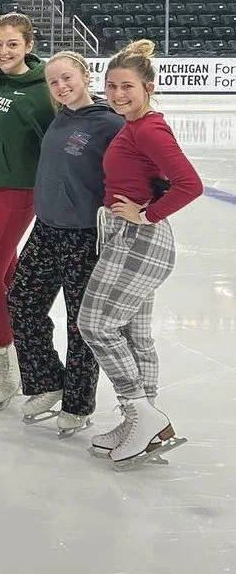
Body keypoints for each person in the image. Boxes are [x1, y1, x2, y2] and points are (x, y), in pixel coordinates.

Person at [77, 40, 202, 467]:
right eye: (110, 86)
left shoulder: (149, 128)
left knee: (94, 324)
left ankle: (142, 413)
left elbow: (190, 183)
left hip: (138, 241)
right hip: (128, 238)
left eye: (126, 86)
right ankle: (143, 423)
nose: (116, 95)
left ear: (148, 87)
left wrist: (147, 215)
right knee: (135, 336)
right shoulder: (133, 126)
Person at [7, 51, 123, 436]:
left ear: (86, 75)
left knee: (80, 324)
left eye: (67, 78)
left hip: (84, 238)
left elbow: (138, 171)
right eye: (54, 82)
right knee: (22, 302)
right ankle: (47, 381)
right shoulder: (62, 118)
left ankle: (78, 403)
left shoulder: (109, 123)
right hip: (46, 229)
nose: (61, 86)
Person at [0, 12, 53, 409]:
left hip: (15, 193)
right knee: (7, 273)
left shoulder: (42, 91)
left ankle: (7, 357)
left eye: (13, 44)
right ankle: (26, 353)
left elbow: (59, 143)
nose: (4, 51)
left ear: (28, 46)